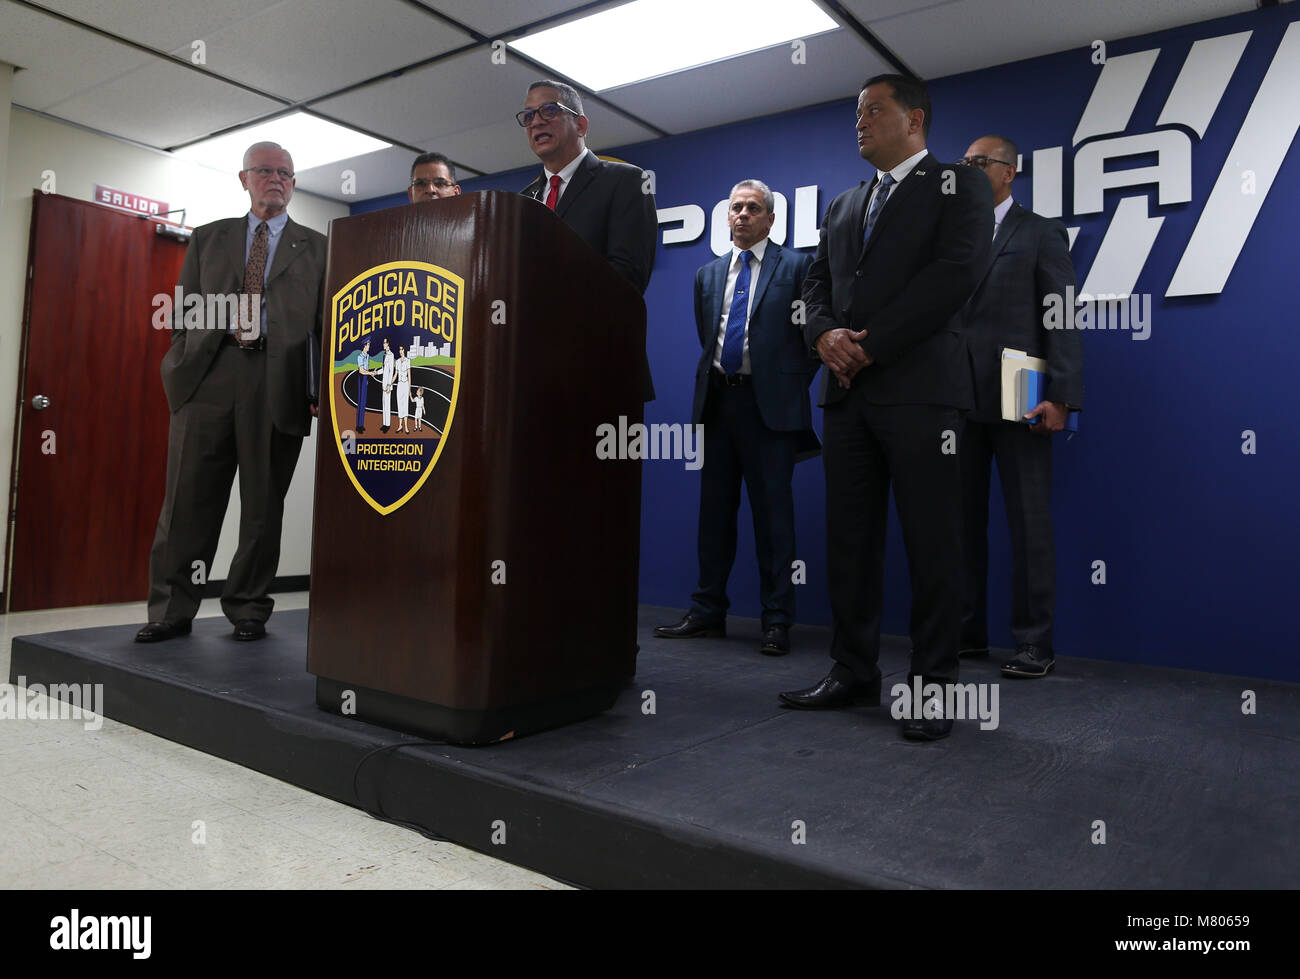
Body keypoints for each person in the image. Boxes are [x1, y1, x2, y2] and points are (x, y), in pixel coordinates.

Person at [778, 75, 993, 740]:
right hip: (845, 398)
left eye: (875, 111)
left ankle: (934, 686)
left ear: (915, 120)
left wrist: (871, 345)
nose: (860, 123)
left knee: (934, 543)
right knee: (849, 542)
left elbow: (955, 276)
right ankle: (853, 671)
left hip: (922, 392)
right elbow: (814, 284)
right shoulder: (844, 205)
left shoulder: (961, 185)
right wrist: (822, 334)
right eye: (856, 113)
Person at [137, 141, 326, 643]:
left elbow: (328, 326)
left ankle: (247, 607)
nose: (276, 180)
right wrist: (182, 368)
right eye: (264, 171)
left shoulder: (319, 247)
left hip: (277, 380)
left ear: (293, 182)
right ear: (244, 179)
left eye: (285, 172)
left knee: (263, 506)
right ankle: (171, 609)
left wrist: (318, 385)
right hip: (210, 375)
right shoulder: (208, 238)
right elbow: (184, 313)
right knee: (187, 501)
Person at [655, 180, 816, 656]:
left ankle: (777, 620)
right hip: (719, 406)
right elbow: (711, 338)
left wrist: (785, 383)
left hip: (769, 411)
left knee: (774, 521)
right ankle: (708, 611)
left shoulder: (797, 266)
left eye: (752, 208)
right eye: (735, 208)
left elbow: (812, 339)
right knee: (714, 517)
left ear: (770, 219)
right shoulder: (707, 275)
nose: (742, 215)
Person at [957, 135, 1082, 679]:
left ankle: (1035, 644)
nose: (968, 170)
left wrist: (1060, 394)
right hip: (956, 397)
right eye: (963, 164)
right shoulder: (952, 237)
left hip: (1022, 389)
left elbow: (1060, 315)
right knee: (959, 524)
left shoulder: (1039, 232)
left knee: (1028, 523)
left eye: (978, 163)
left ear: (1009, 172)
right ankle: (966, 634)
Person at [517, 79, 658, 401]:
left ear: (580, 125)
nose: (536, 121)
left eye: (548, 110)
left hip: (600, 369)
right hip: (533, 375)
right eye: (528, 116)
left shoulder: (627, 181)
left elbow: (627, 277)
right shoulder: (523, 201)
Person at [355, 339, 373, 433]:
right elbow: (361, 370)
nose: (369, 347)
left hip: (365, 378)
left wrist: (368, 376)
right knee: (360, 402)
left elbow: (366, 368)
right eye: (368, 345)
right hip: (362, 377)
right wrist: (370, 373)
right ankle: (358, 425)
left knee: (363, 402)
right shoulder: (360, 357)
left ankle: (361, 424)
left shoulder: (367, 356)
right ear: (364, 346)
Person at [395, 345, 411, 434]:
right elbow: (395, 374)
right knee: (400, 405)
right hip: (399, 385)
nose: (400, 351)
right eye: (399, 349)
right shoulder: (397, 362)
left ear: (404, 350)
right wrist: (389, 383)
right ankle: (400, 426)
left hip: (405, 385)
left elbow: (409, 375)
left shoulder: (408, 361)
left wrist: (409, 388)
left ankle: (406, 426)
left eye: (402, 349)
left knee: (405, 405)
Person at [380, 337, 395, 433]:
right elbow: (384, 369)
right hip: (384, 384)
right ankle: (384, 424)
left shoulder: (391, 355)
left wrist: (389, 384)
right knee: (384, 404)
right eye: (383, 343)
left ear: (388, 344)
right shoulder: (384, 355)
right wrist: (375, 372)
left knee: (387, 405)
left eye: (385, 343)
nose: (383, 344)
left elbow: (391, 371)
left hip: (388, 385)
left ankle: (388, 425)